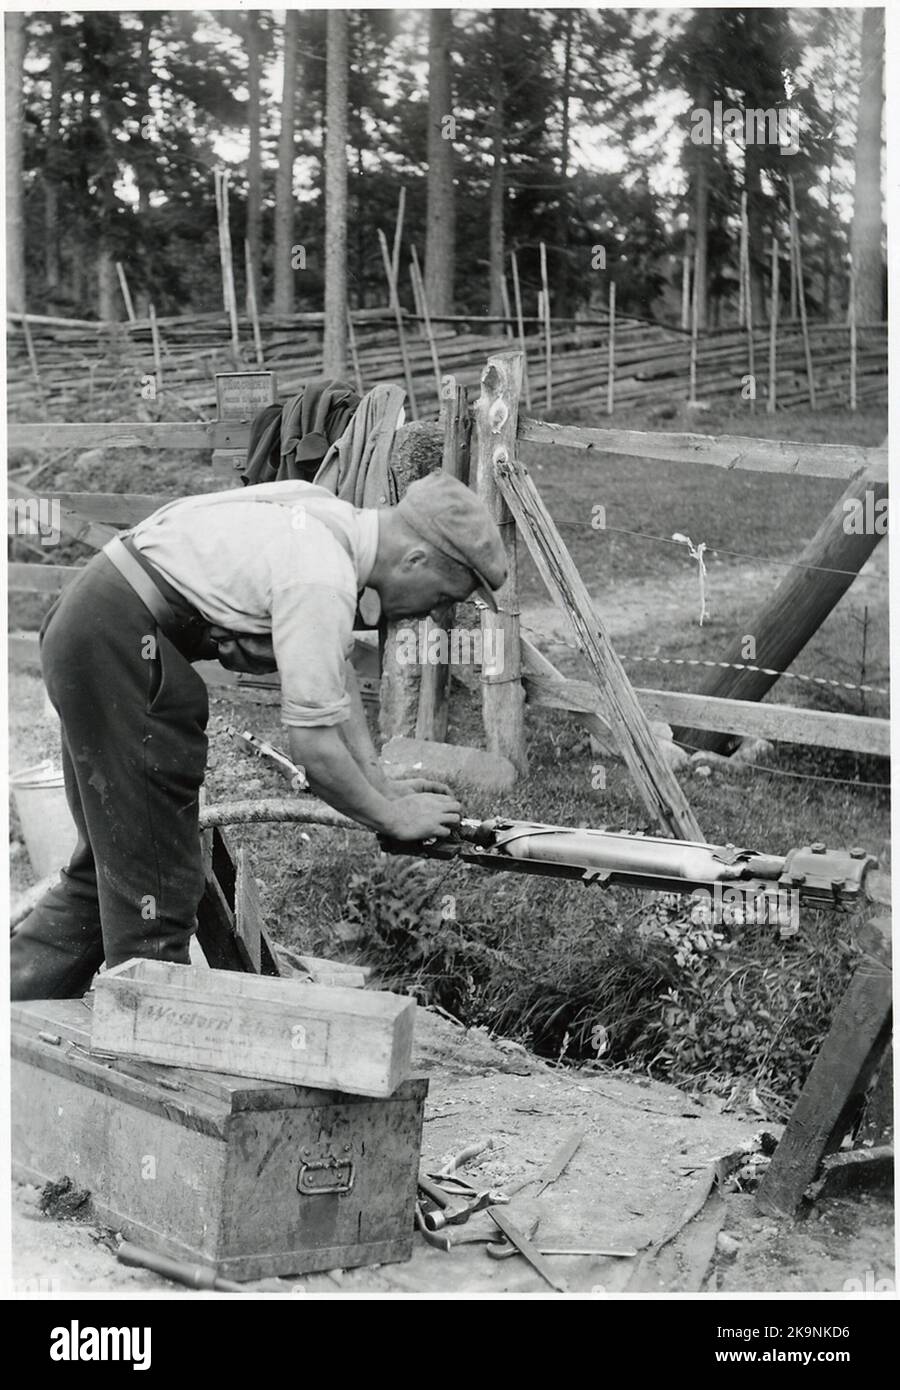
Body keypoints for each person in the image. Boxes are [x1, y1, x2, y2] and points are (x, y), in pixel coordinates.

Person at [11, 471, 507, 1000]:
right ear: (415, 560)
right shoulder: (322, 575)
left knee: (115, 866)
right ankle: (155, 1060)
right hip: (119, 643)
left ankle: (14, 1013)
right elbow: (312, 750)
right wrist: (391, 818)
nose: (434, 612)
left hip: (94, 619)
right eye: (441, 596)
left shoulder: (323, 516)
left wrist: (380, 784)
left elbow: (330, 682)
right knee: (157, 887)